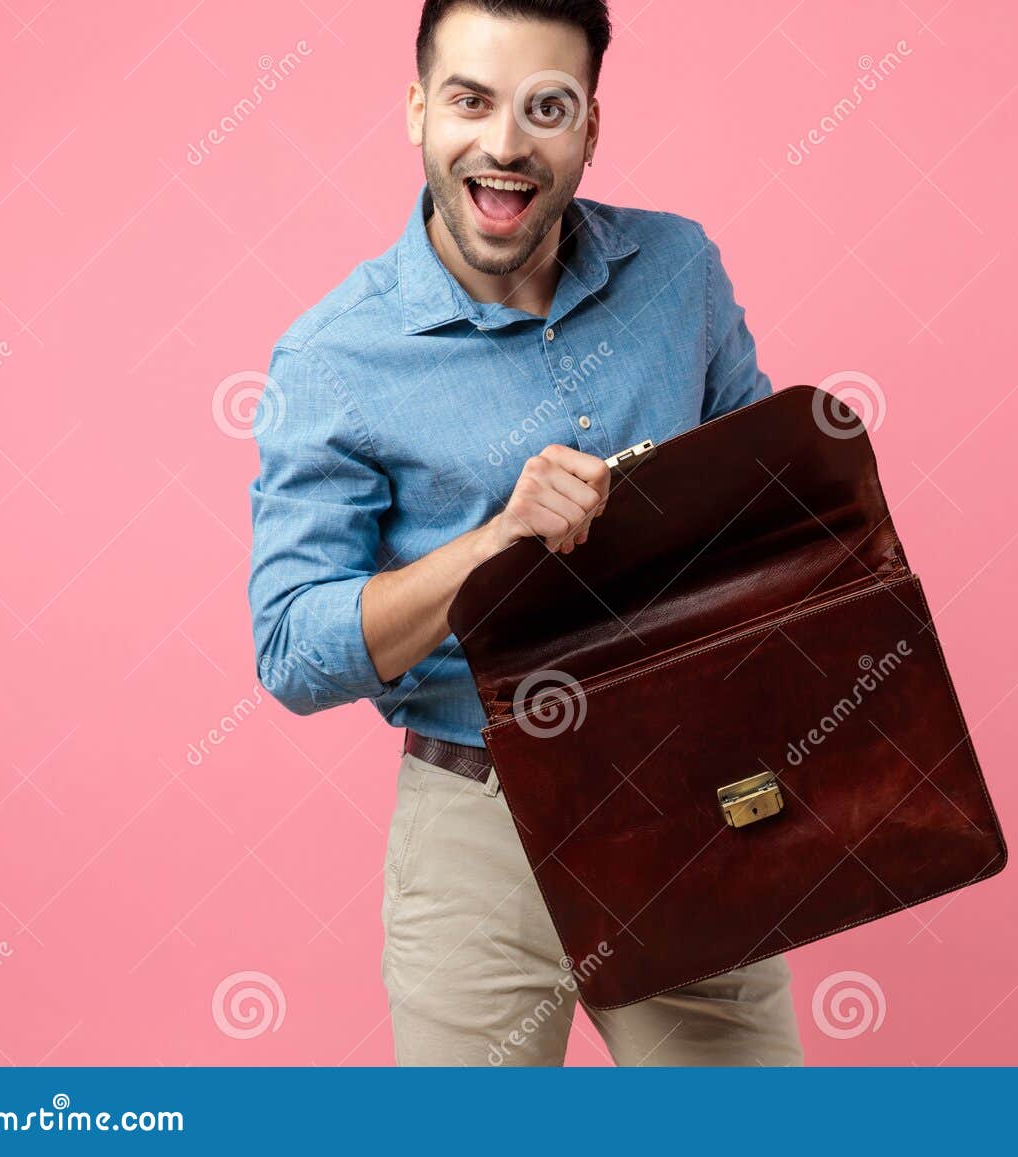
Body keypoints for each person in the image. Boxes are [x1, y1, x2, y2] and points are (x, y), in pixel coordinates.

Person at [246, 0, 803, 1066]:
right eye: (470, 100)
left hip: (689, 797)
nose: (504, 144)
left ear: (589, 127)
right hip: (476, 831)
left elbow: (768, 507)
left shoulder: (679, 270)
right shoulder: (332, 358)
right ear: (417, 109)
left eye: (546, 107)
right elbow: (292, 647)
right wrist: (491, 547)